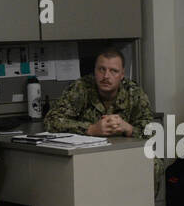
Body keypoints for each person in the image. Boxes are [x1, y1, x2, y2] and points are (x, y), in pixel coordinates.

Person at [45, 46, 164, 192]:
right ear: (94, 71)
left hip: (123, 154)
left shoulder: (133, 92)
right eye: (101, 69)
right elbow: (51, 121)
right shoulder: (80, 88)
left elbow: (153, 131)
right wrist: (90, 129)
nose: (106, 76)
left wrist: (129, 128)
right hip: (88, 155)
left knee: (153, 163)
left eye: (113, 71)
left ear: (122, 74)